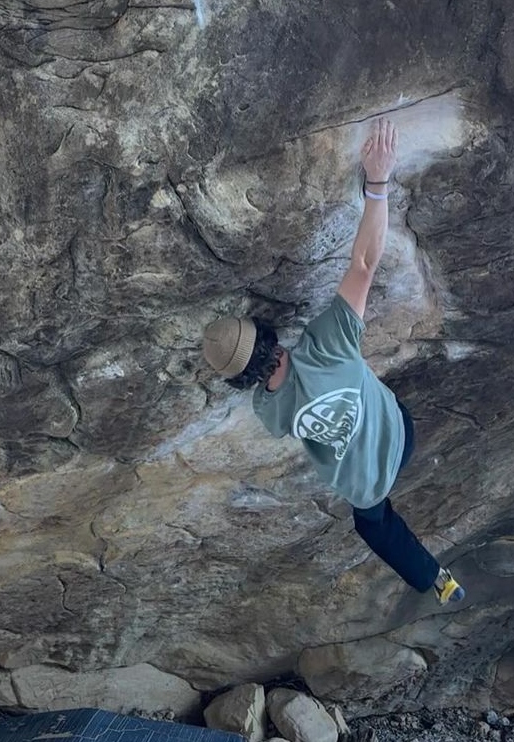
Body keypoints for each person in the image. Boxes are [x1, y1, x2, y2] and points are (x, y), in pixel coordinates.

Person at [202, 118, 464, 605]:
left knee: (373, 525)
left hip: (366, 487)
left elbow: (278, 397)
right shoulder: (326, 344)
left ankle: (435, 579)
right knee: (373, 390)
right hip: (400, 437)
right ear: (266, 333)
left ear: (242, 382)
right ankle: (434, 576)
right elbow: (365, 264)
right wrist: (378, 180)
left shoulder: (268, 412)